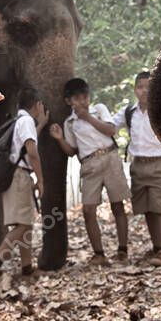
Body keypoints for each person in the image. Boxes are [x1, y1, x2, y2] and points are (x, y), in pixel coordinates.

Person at [49, 77, 131, 265]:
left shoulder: (99, 109)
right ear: (68, 101)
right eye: (76, 98)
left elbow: (111, 130)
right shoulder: (69, 123)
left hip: (110, 158)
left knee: (117, 205)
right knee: (88, 210)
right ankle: (99, 254)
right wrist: (59, 139)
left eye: (84, 96)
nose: (82, 101)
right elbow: (71, 151)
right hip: (89, 165)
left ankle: (122, 250)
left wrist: (87, 117)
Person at [114, 71, 161, 266]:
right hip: (139, 166)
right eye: (140, 87)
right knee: (147, 209)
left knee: (160, 208)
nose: (144, 91)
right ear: (135, 90)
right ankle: (156, 247)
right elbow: (109, 126)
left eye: (148, 86)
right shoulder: (129, 112)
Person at [0, 87, 49, 277]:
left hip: (14, 175)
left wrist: (40, 124)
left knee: (26, 224)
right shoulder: (26, 121)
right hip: (20, 176)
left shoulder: (20, 120)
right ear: (37, 104)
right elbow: (31, 152)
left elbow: (25, 145)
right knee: (22, 225)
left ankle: (26, 267)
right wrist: (40, 180)